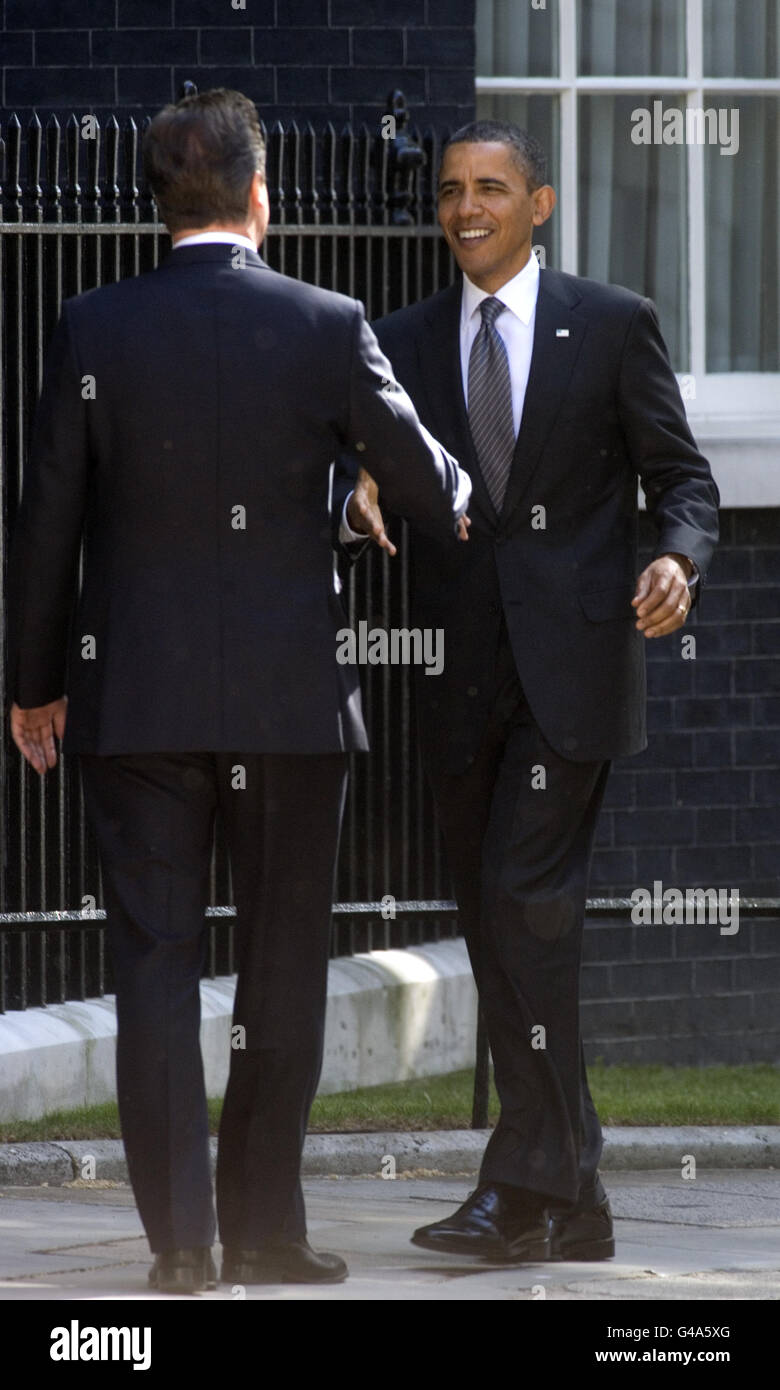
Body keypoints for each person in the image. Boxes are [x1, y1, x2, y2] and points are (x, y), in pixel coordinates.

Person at [6, 88, 470, 1293]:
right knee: (280, 969)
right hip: (289, 710)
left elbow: (47, 520)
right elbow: (423, 479)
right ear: (264, 193)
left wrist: (34, 687)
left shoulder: (93, 326)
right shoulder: (326, 321)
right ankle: (267, 1228)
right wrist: (429, 496)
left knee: (154, 966)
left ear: (156, 202)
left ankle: (182, 1249)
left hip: (138, 706)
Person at [342, 120, 719, 1263]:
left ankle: (517, 1188)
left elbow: (685, 479)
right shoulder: (400, 340)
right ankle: (578, 1198)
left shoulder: (610, 324)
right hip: (459, 685)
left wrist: (678, 558)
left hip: (575, 677)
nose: (466, 207)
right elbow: (360, 463)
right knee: (508, 932)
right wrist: (355, 485)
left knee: (522, 902)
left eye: (492, 189)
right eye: (453, 190)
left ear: (539, 204)